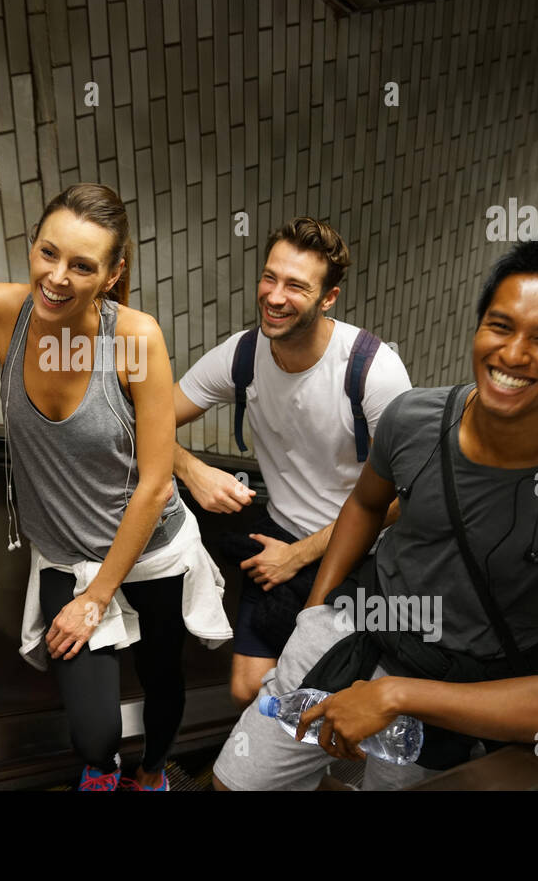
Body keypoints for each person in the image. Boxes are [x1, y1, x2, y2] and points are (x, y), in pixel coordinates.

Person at [212, 238, 538, 791]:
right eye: (500, 326)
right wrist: (317, 609)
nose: (513, 354)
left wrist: (394, 695)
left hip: (455, 689)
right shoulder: (414, 419)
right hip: (357, 626)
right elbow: (367, 503)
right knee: (238, 784)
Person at [0, 184, 231, 791]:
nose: (56, 277)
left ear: (112, 275)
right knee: (93, 734)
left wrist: (97, 600)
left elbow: (154, 481)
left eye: (82, 265)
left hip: (150, 550)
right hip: (66, 554)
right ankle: (104, 768)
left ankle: (150, 774)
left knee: (162, 678)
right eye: (47, 253)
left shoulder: (136, 339)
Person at [172, 218, 411, 706]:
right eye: (270, 277)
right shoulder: (242, 355)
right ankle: (307, 774)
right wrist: (190, 469)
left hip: (361, 556)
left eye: (296, 286)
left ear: (328, 298)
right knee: (248, 690)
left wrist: (298, 556)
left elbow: (407, 495)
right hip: (280, 535)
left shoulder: (373, 370)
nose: (275, 296)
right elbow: (144, 420)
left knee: (321, 693)